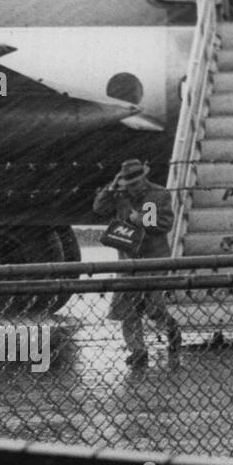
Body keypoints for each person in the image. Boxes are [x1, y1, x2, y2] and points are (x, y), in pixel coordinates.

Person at [94, 158, 182, 368]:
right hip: (128, 259)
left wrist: (141, 220)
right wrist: (112, 188)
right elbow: (99, 208)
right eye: (128, 185)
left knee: (154, 306)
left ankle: (173, 334)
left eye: (135, 184)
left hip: (154, 258)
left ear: (143, 179)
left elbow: (165, 223)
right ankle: (138, 350)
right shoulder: (120, 194)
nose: (132, 189)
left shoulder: (159, 194)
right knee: (129, 309)